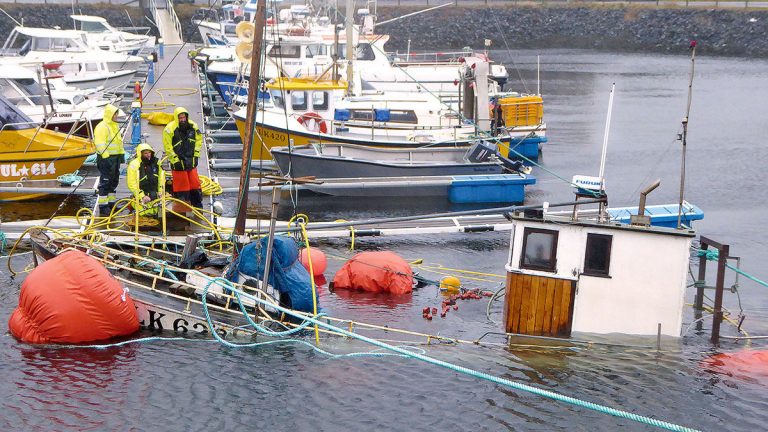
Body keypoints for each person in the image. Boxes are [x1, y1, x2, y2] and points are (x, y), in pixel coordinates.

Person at [163, 107, 203, 209]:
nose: (182, 120)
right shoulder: (169, 129)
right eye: (180, 118)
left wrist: (196, 155)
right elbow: (168, 147)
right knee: (181, 187)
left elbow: (198, 140)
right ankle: (182, 209)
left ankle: (197, 205)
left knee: (195, 184)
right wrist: (175, 160)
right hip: (178, 162)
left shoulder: (193, 126)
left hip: (191, 160)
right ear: (177, 118)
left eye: (184, 117)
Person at [94, 103, 125, 214]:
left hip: (115, 158)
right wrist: (106, 156)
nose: (116, 116)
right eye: (115, 114)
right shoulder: (102, 127)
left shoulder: (115, 125)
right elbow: (99, 143)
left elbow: (118, 142)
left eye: (116, 114)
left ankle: (111, 203)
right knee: (105, 181)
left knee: (114, 180)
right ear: (110, 114)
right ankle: (103, 207)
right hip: (106, 159)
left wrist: (121, 155)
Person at [126, 143, 166, 217]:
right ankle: (134, 201)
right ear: (140, 154)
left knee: (155, 214)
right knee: (144, 215)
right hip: (142, 196)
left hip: (154, 194)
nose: (148, 155)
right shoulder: (134, 165)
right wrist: (142, 196)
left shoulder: (156, 163)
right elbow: (132, 183)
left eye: (149, 152)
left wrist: (161, 191)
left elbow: (161, 178)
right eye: (145, 153)